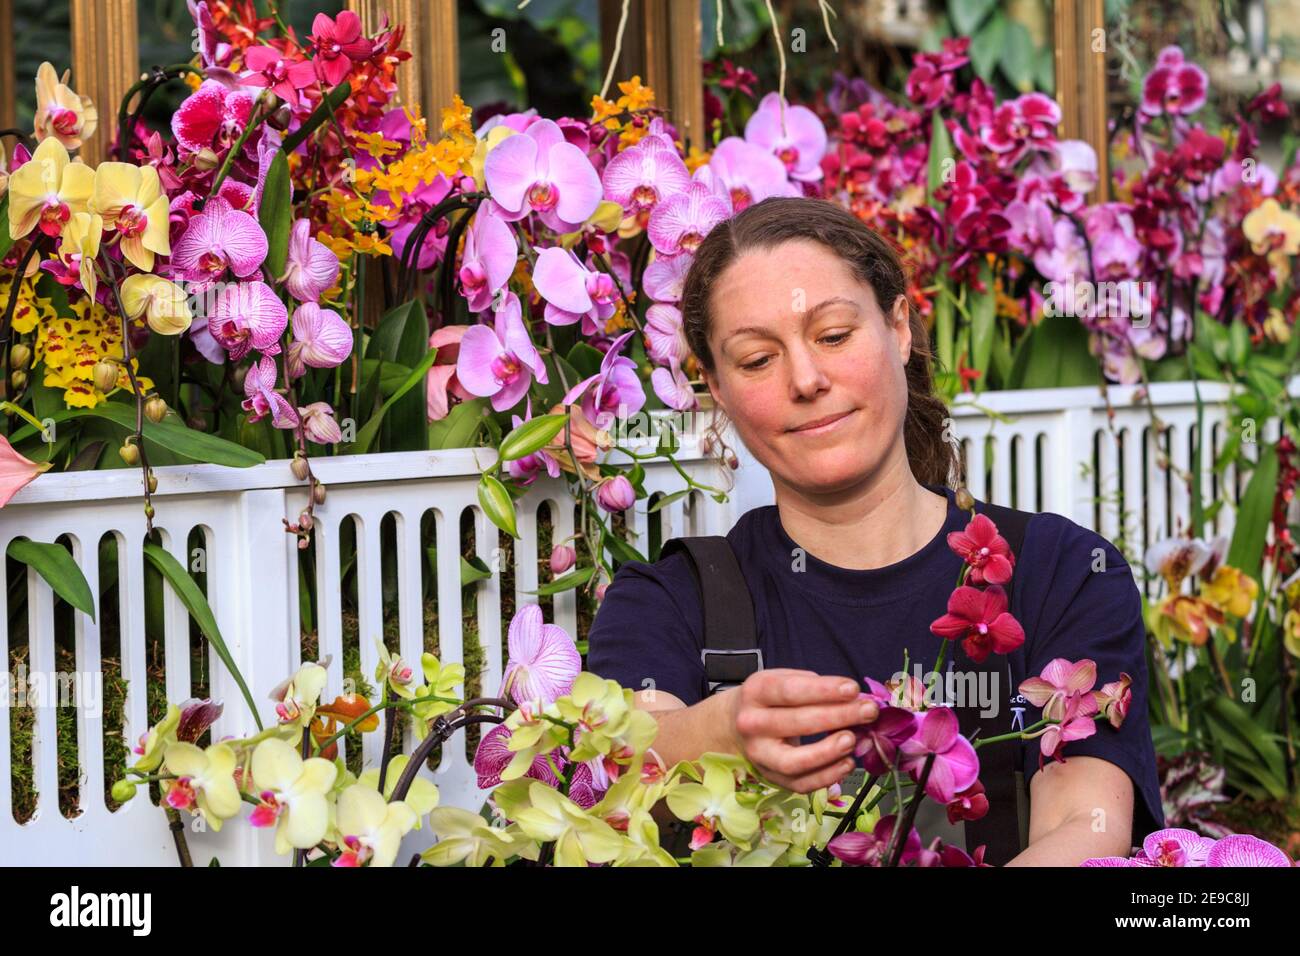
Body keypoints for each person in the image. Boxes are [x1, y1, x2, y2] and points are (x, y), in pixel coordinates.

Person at [586, 196, 1165, 866]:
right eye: (755, 360)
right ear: (715, 387)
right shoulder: (672, 600)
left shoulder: (1061, 573)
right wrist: (717, 730)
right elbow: (622, 762)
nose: (806, 379)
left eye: (833, 336)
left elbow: (1087, 826)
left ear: (898, 329)